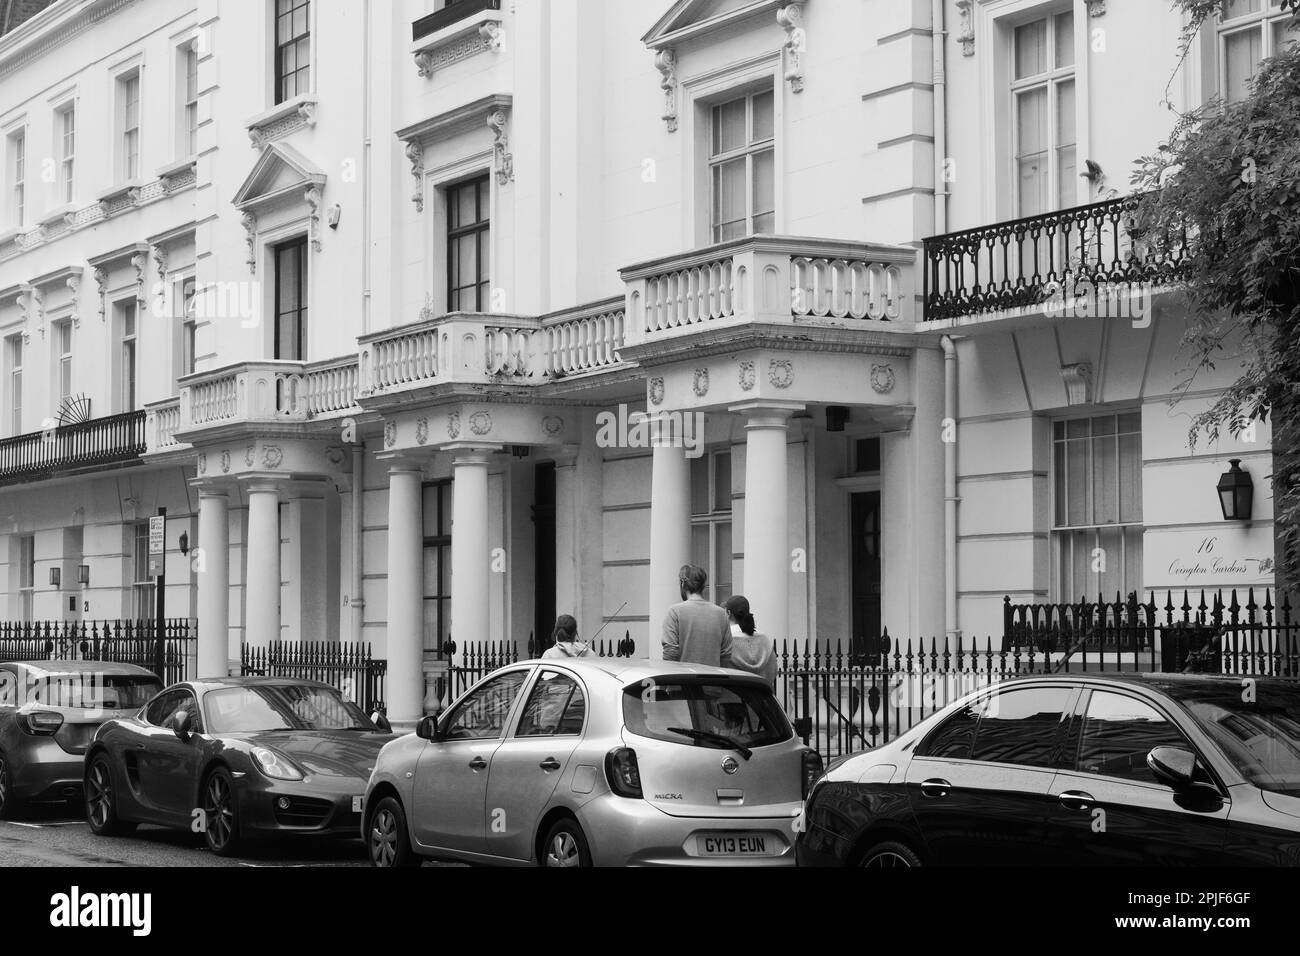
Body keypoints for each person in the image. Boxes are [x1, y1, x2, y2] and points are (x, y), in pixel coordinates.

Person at [662, 565, 732, 667]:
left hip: (682, 679)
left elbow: (670, 652)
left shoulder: (674, 612)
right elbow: (726, 654)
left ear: (682, 584)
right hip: (714, 680)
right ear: (703, 586)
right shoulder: (721, 614)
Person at [723, 595, 777, 689]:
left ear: (728, 613)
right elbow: (773, 670)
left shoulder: (726, 639)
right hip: (759, 696)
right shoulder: (763, 639)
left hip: (731, 697)